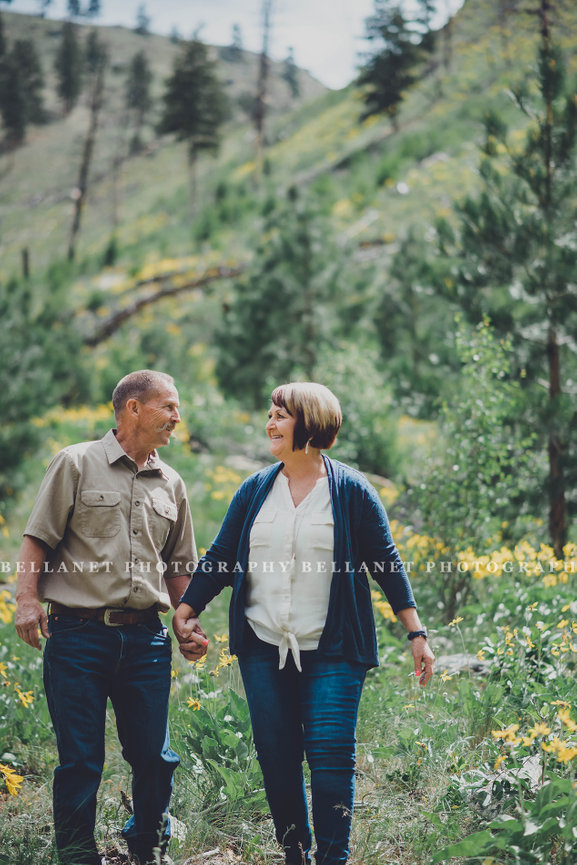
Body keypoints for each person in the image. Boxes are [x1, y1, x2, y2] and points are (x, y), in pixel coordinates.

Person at [173, 382, 434, 865]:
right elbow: (223, 554)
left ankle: (333, 857)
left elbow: (386, 561)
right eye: (269, 413)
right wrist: (188, 608)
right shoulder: (255, 489)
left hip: (333, 649)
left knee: (332, 759)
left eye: (280, 415)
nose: (269, 422)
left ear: (310, 425)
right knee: (277, 759)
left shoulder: (352, 490)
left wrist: (416, 632)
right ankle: (295, 854)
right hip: (262, 645)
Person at [14, 370, 208, 865]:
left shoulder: (172, 483)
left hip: (145, 640)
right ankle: (77, 856)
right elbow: (37, 538)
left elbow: (180, 567)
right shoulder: (76, 463)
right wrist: (26, 600)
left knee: (156, 759)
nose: (177, 418)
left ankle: (146, 846)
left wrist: (186, 621)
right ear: (133, 409)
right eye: (168, 406)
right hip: (77, 636)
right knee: (80, 761)